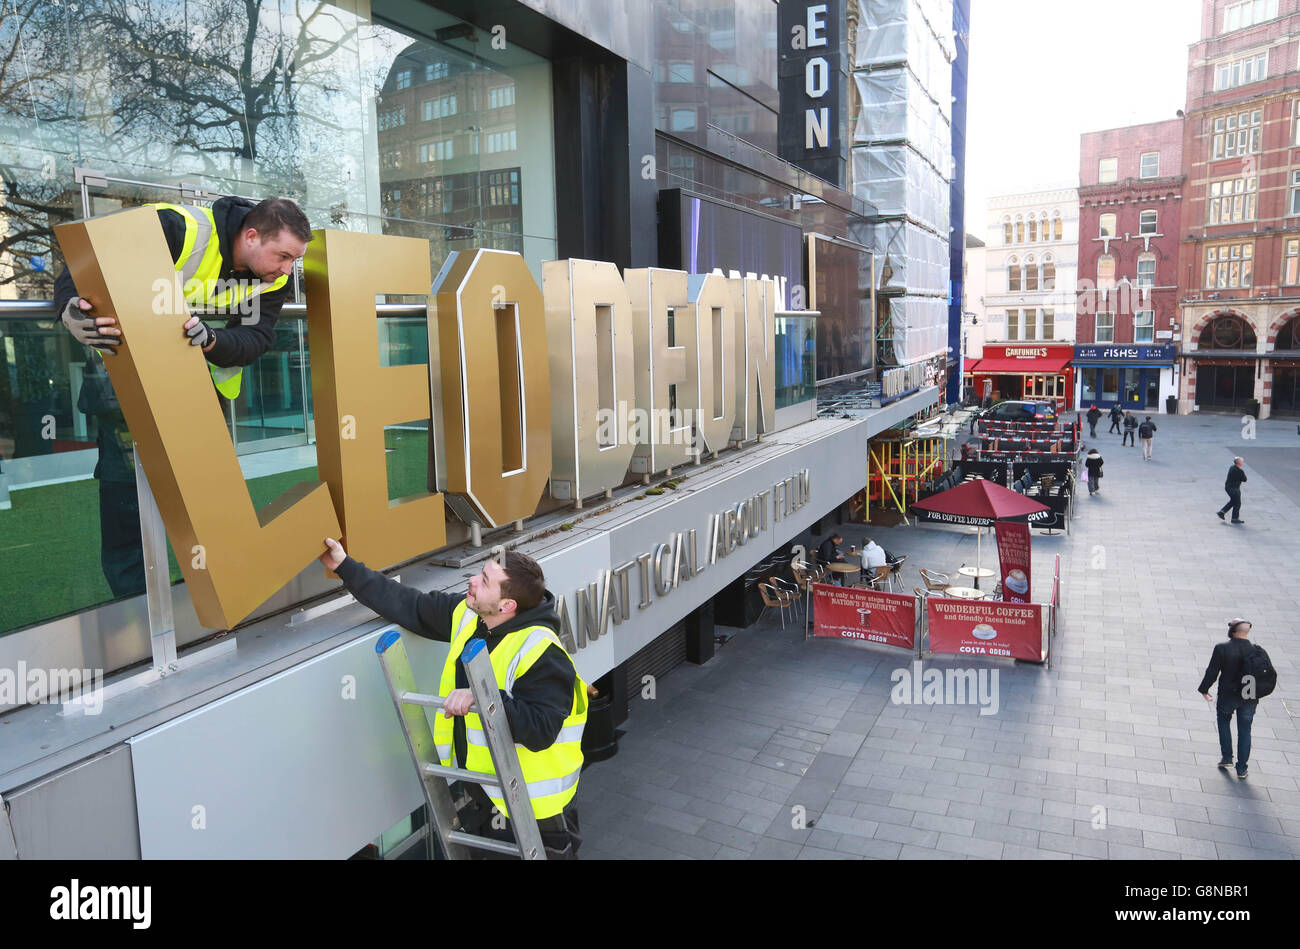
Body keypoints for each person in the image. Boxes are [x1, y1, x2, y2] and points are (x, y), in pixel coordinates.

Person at [53, 197, 310, 597]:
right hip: (126, 391)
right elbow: (85, 261)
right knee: (126, 504)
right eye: (283, 256)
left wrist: (213, 340)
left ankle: (222, 598)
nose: (287, 270)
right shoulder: (181, 228)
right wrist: (68, 311)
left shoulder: (272, 277)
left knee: (208, 504)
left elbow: (256, 339)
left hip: (200, 397)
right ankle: (135, 610)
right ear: (252, 235)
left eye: (294, 260)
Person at [320, 539, 587, 857]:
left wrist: (482, 699)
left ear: (507, 606)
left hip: (535, 817)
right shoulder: (470, 615)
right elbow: (409, 604)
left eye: (484, 581)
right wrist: (344, 566)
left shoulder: (542, 651)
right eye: (479, 573)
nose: (472, 581)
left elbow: (541, 729)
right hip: (487, 796)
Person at [1197, 619, 1258, 779]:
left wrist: (1204, 689)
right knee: (1245, 731)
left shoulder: (1222, 648)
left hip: (1228, 694)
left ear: (1233, 631)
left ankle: (1227, 758)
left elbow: (1212, 671)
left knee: (1224, 722)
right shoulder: (1255, 650)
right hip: (1249, 695)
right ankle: (1242, 768)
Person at [1216, 456, 1247, 524]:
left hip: (1228, 487)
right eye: (1242, 461)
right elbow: (1245, 479)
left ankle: (1222, 512)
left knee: (1233, 501)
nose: (1243, 462)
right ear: (1239, 463)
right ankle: (1234, 518)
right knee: (1237, 503)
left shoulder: (1232, 467)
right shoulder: (1239, 471)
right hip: (1234, 489)